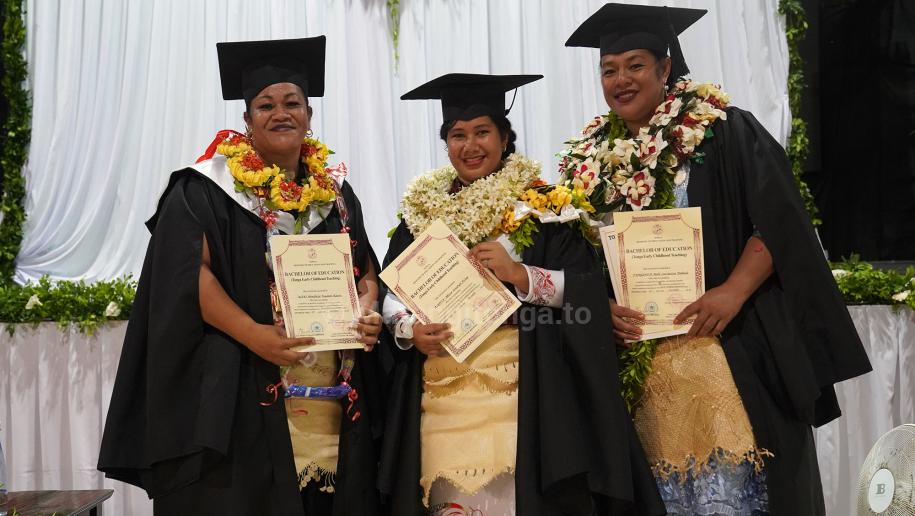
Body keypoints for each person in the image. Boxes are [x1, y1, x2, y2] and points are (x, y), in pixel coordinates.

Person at [561, 4, 873, 514]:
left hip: (731, 351)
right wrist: (602, 306)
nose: (621, 80)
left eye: (635, 65)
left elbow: (781, 222)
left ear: (665, 67)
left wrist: (733, 290)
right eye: (609, 69)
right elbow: (583, 258)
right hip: (645, 375)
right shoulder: (590, 162)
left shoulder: (722, 131)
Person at [98, 36, 385, 515]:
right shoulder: (206, 187)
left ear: (309, 115)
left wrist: (369, 309)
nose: (281, 113)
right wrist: (255, 335)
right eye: (266, 105)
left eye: (292, 103)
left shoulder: (334, 191)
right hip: (246, 391)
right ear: (247, 119)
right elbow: (187, 273)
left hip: (330, 398)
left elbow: (364, 267)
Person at [377, 73, 665, 516]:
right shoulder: (421, 216)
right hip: (442, 396)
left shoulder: (543, 207)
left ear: (505, 137)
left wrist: (520, 274)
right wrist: (408, 329)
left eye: (482, 132)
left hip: (525, 396)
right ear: (446, 143)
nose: (470, 146)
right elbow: (391, 293)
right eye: (457, 135)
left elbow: (586, 290)